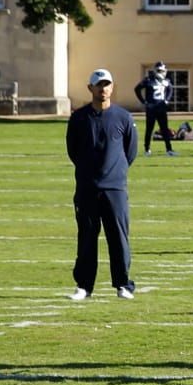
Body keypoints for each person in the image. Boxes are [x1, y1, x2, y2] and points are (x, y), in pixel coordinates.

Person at [65, 68, 139, 301]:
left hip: (115, 188)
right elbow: (73, 150)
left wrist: (115, 173)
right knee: (87, 236)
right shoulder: (79, 118)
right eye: (99, 84)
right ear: (90, 88)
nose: (103, 88)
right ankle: (84, 286)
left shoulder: (123, 117)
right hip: (87, 187)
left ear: (112, 87)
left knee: (118, 237)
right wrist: (88, 172)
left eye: (107, 84)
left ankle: (123, 284)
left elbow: (131, 151)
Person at [134, 61, 178, 157]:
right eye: (159, 70)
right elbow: (137, 89)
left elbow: (171, 89)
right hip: (151, 108)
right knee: (149, 129)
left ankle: (169, 149)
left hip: (161, 108)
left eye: (162, 70)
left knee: (165, 129)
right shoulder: (148, 80)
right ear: (155, 71)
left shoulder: (166, 81)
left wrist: (167, 100)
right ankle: (147, 149)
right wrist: (143, 101)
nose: (161, 72)